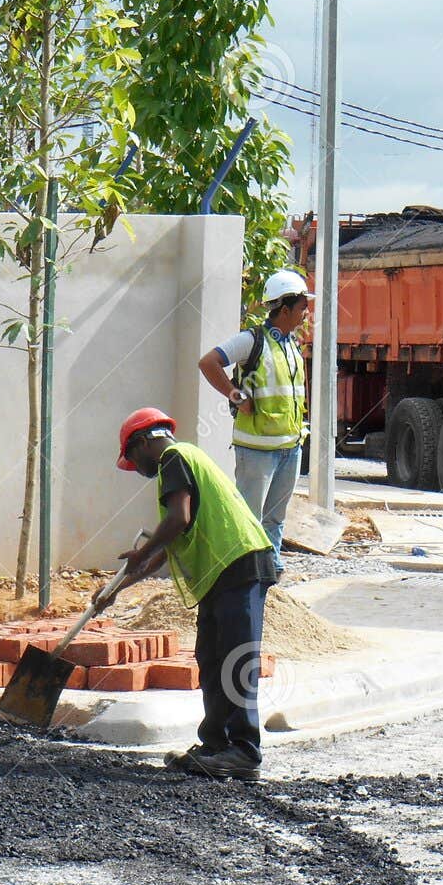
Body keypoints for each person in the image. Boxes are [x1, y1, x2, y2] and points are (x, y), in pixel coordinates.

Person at [104, 408, 276, 782]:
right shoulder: (183, 462)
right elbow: (166, 548)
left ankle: (244, 751)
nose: (137, 468)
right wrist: (115, 590)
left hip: (240, 563)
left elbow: (178, 520)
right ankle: (216, 745)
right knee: (212, 658)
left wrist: (142, 551)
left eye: (133, 459)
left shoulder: (173, 459)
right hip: (222, 573)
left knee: (234, 659)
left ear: (144, 441)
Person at [197, 268, 313, 574]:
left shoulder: (290, 344)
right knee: (249, 515)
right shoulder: (252, 340)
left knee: (275, 518)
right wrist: (235, 396)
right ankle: (245, 570)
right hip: (257, 449)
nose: (306, 312)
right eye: (303, 306)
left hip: (289, 446)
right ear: (284, 309)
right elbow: (208, 362)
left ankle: (269, 569)